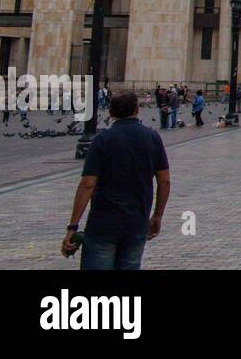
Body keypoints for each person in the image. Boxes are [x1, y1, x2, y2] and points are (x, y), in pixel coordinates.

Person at [61, 92, 170, 270]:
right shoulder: (153, 138)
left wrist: (73, 226)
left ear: (111, 114)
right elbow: (165, 181)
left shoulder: (102, 139)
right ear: (137, 110)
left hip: (103, 223)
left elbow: (87, 184)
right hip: (137, 221)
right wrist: (157, 215)